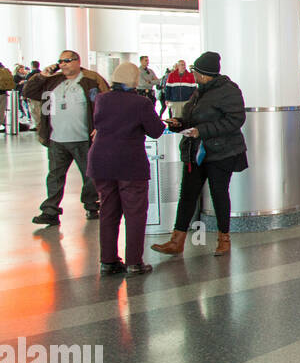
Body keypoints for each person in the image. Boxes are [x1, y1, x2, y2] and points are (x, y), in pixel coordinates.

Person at [152, 52, 247, 257]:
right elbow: (191, 117)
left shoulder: (228, 91)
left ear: (204, 74)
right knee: (187, 194)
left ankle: (224, 238)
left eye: (195, 71)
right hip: (195, 151)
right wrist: (180, 123)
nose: (192, 74)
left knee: (219, 193)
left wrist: (201, 131)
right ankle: (176, 241)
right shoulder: (199, 91)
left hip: (222, 152)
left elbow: (236, 120)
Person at [86, 62, 166, 276]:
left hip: (101, 161)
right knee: (135, 213)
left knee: (108, 212)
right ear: (134, 82)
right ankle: (134, 262)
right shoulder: (140, 103)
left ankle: (108, 261)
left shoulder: (101, 99)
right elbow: (156, 131)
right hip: (129, 163)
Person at [23, 50, 109, 225]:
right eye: (60, 61)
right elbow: (28, 92)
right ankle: (50, 211)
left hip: (83, 139)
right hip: (57, 139)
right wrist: (41, 76)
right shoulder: (52, 81)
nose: (63, 64)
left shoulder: (90, 81)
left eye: (67, 61)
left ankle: (92, 205)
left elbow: (105, 103)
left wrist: (100, 127)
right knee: (55, 176)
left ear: (77, 61)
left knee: (90, 175)